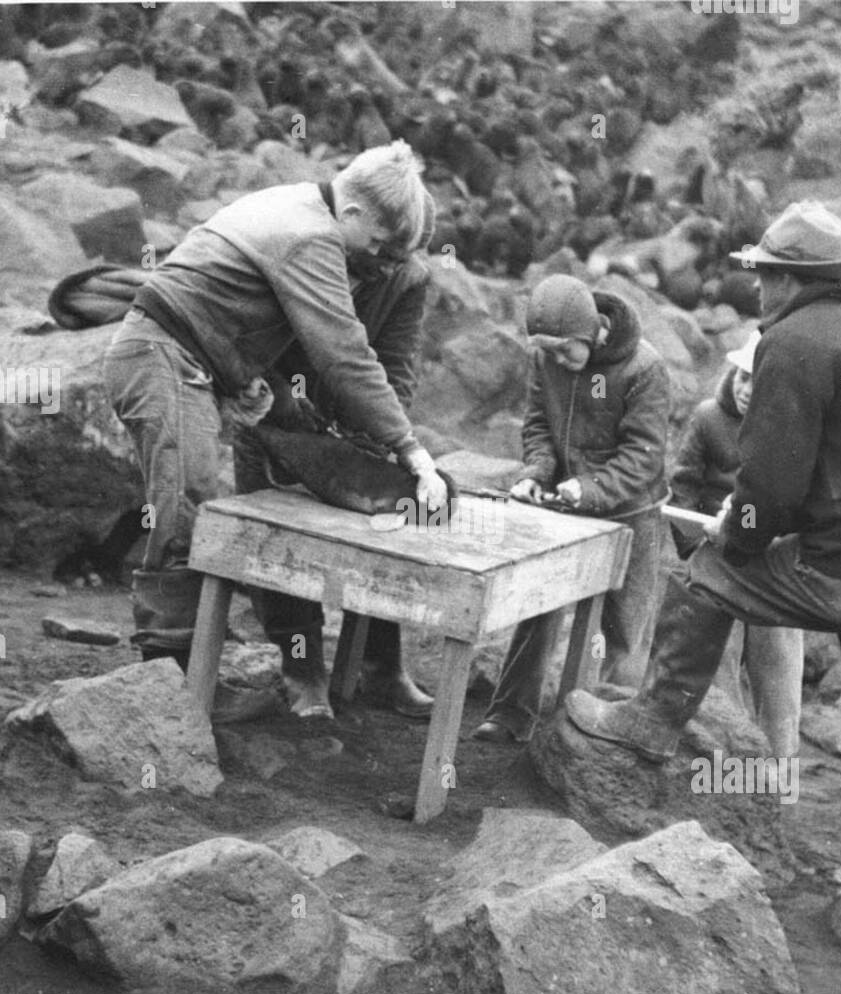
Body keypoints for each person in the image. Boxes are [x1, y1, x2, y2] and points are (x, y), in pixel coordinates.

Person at [562, 201, 841, 994]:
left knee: (709, 572)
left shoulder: (788, 343)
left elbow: (771, 488)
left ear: (787, 280)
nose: (754, 288)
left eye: (761, 275)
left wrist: (738, 536)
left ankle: (650, 723)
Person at [104, 141, 448, 710]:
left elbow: (383, 359)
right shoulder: (311, 236)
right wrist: (411, 449)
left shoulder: (307, 213)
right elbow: (342, 351)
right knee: (186, 510)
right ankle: (173, 692)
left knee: (191, 508)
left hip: (194, 366)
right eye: (381, 244)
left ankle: (190, 682)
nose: (383, 260)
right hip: (163, 356)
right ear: (357, 214)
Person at [235, 189, 440, 720]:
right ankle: (302, 672)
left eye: (399, 258)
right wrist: (281, 400)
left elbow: (394, 365)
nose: (384, 266)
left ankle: (379, 666)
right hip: (273, 418)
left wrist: (387, 438)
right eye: (382, 252)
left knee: (385, 535)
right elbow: (249, 340)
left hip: (351, 424)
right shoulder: (306, 248)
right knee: (283, 550)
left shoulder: (407, 278)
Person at [473, 274, 671, 744]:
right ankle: (512, 713)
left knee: (624, 628)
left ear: (593, 332)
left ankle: (612, 736)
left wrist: (591, 489)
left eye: (567, 351)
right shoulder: (546, 359)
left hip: (632, 513)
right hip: (565, 506)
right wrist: (535, 475)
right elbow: (539, 425)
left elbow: (643, 455)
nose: (558, 361)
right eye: (550, 353)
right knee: (538, 605)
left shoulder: (645, 368)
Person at [670, 330, 804, 761]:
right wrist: (694, 545)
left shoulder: (795, 430)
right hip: (716, 558)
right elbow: (684, 484)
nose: (748, 390)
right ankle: (726, 762)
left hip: (774, 561)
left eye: (760, 382)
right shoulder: (708, 418)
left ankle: (780, 775)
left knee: (778, 677)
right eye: (744, 377)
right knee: (717, 669)